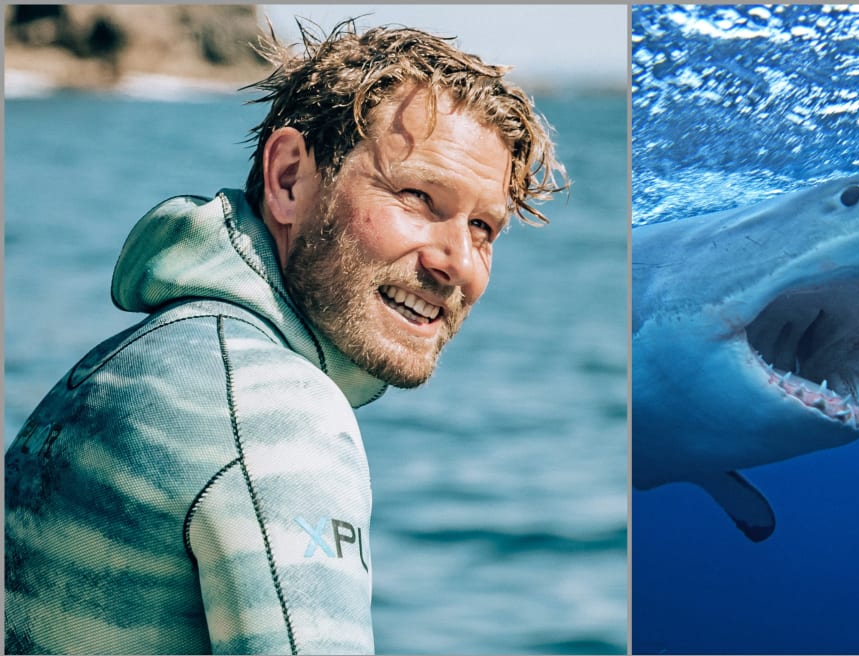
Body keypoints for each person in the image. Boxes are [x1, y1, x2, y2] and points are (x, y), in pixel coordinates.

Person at [4, 20, 564, 655]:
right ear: (291, 177)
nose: (458, 261)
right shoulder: (275, 411)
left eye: (485, 228)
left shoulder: (120, 364)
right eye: (418, 196)